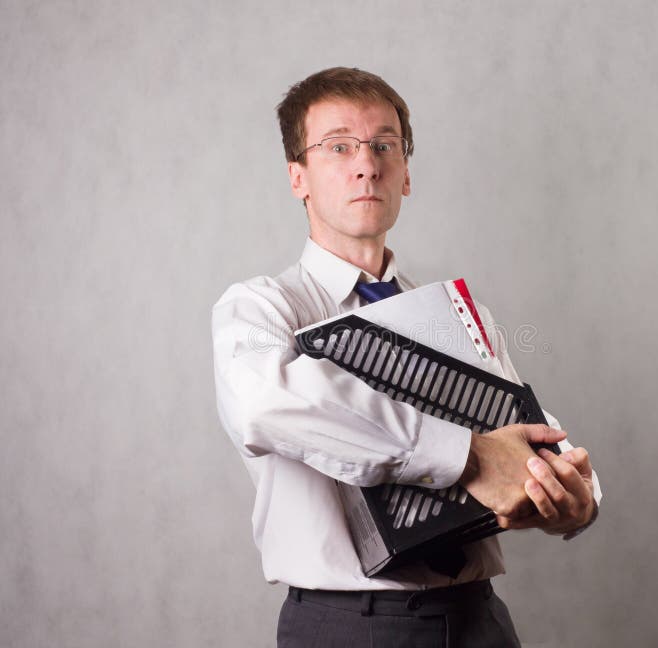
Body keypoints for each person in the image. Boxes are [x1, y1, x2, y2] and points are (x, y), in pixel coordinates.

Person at [212, 67, 600, 648]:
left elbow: (528, 442)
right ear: (299, 176)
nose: (366, 163)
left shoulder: (464, 317)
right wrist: (466, 456)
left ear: (406, 173)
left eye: (384, 145)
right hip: (349, 627)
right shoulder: (260, 309)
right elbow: (267, 407)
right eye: (338, 146)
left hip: (481, 621)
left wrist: (574, 501)